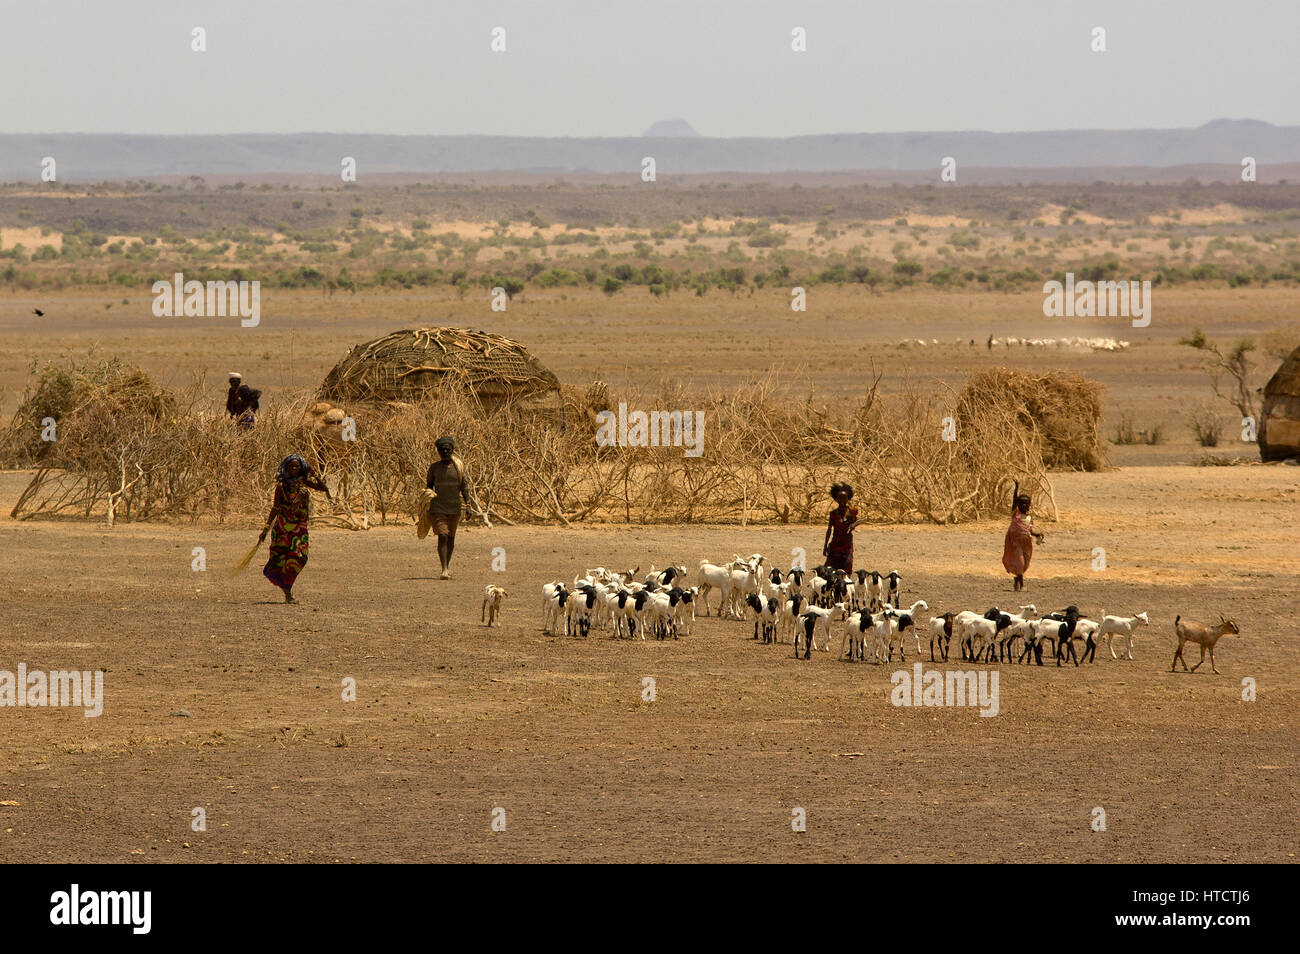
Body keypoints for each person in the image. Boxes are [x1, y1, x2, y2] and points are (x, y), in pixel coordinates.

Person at [260, 454, 330, 603]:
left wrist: (313, 472)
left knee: (300, 558)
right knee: (283, 559)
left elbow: (323, 488)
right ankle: (288, 593)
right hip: (283, 528)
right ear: (286, 468)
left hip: (299, 527)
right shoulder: (281, 486)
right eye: (291, 466)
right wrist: (265, 529)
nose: (293, 468)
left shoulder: (304, 482)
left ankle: (287, 589)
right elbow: (275, 508)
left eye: (297, 466)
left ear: (301, 468)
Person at [425, 437, 470, 580]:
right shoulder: (434, 468)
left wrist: (468, 505)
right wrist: (426, 502)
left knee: (451, 538)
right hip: (438, 507)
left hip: (455, 507)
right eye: (442, 450)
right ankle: (444, 569)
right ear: (438, 451)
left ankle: (447, 566)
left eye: (447, 449)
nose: (445, 452)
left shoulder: (459, 467)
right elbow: (429, 486)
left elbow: (464, 487)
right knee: (443, 536)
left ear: (452, 450)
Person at [1002, 485, 1045, 592]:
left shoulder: (1029, 518)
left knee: (1025, 564)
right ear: (1018, 505)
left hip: (1026, 543)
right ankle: (1022, 585)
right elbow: (1014, 501)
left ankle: (1017, 578)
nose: (1024, 505)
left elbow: (1029, 531)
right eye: (1021, 503)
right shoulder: (1015, 514)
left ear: (1029, 505)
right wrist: (1017, 487)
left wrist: (1037, 535)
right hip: (1015, 542)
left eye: (1026, 503)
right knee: (1020, 562)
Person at [822, 482, 859, 573]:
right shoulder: (833, 513)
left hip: (847, 544)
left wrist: (853, 526)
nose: (842, 500)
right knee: (830, 568)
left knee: (847, 564)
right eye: (840, 498)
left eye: (844, 498)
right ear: (836, 499)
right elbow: (829, 529)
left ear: (848, 498)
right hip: (835, 543)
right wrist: (825, 545)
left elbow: (855, 522)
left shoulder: (852, 511)